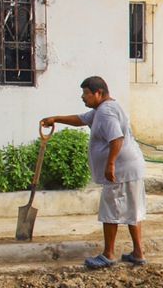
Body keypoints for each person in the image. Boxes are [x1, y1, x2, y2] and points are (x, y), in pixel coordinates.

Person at [41, 76, 148, 270]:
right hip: (132, 168)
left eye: (86, 94)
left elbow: (116, 139)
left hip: (121, 170)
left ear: (98, 93)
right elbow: (81, 119)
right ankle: (138, 253)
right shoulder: (102, 109)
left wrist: (110, 165)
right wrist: (55, 119)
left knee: (110, 212)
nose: (83, 97)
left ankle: (108, 255)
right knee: (133, 210)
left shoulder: (106, 112)